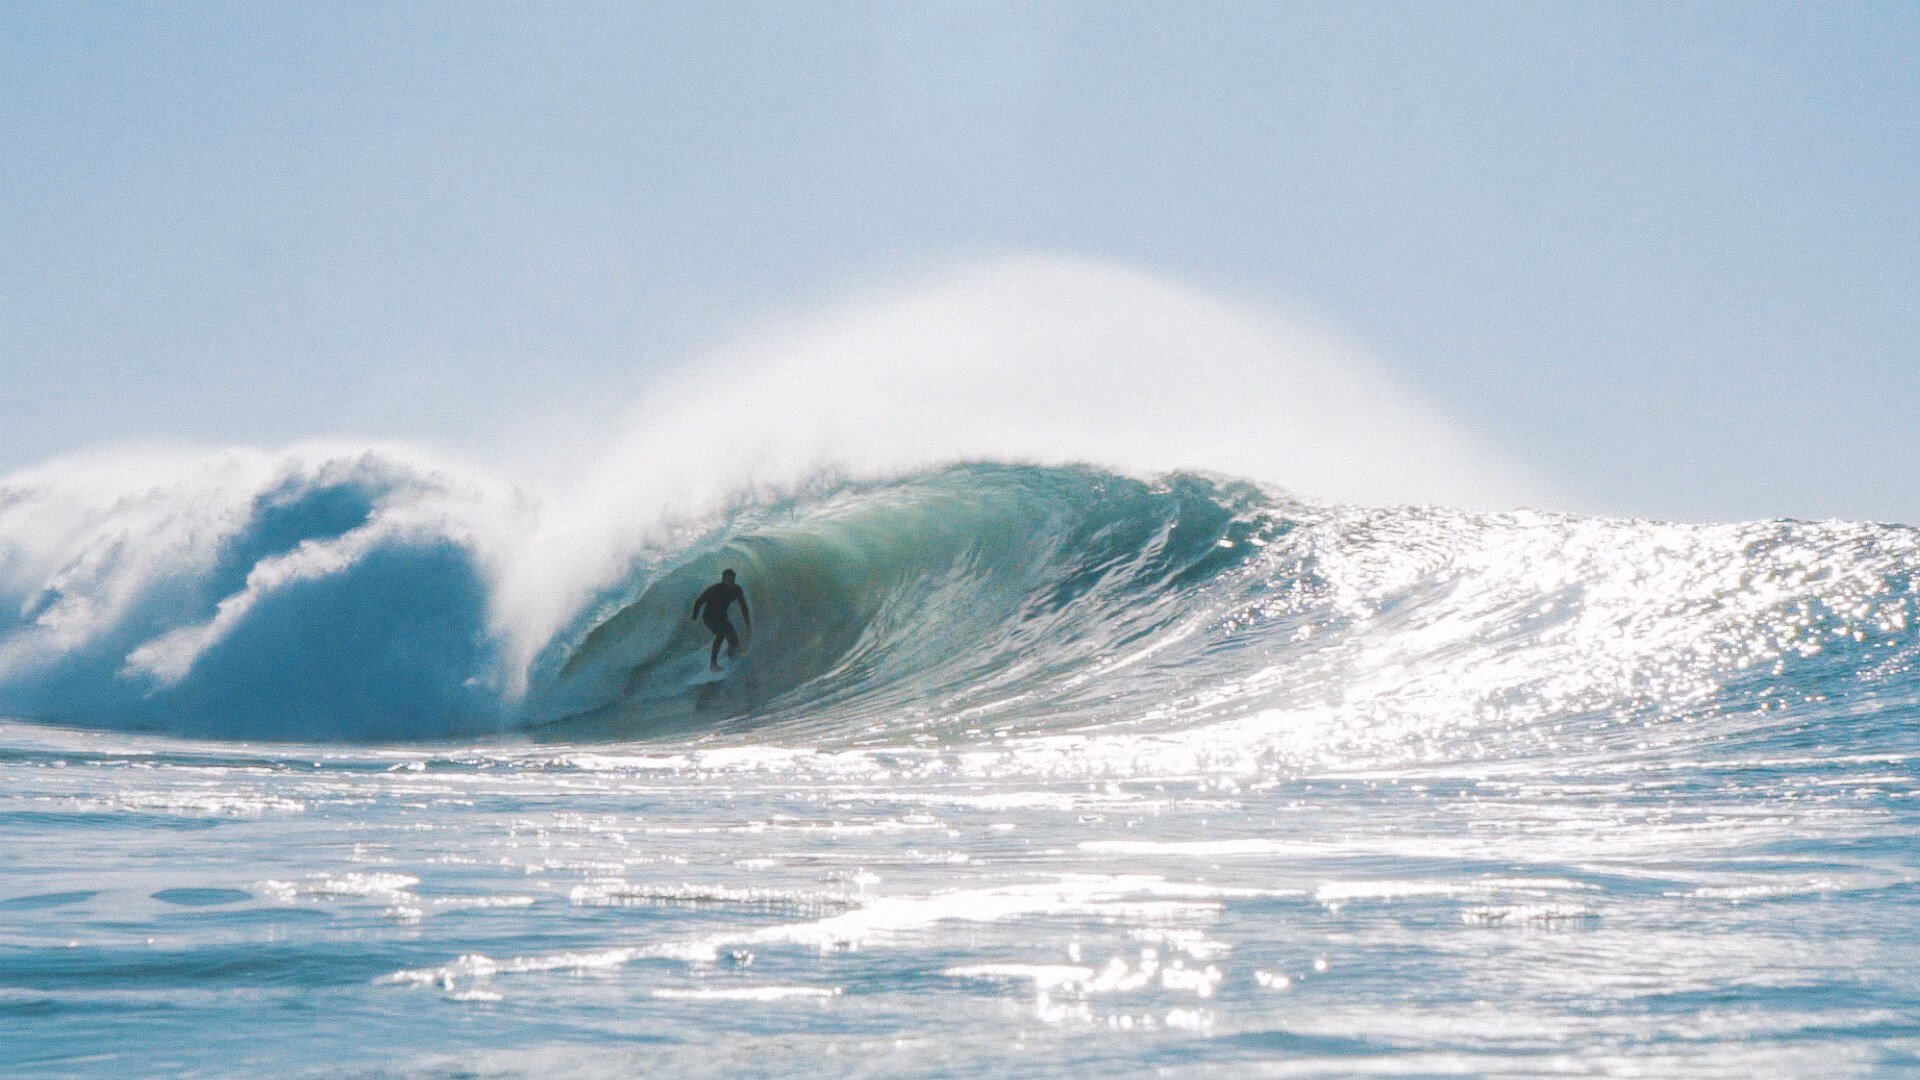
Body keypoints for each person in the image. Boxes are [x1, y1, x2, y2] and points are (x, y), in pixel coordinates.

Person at [690, 568, 751, 671]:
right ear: (723, 579)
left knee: (734, 639)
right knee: (721, 634)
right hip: (709, 617)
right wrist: (694, 617)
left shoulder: (737, 590)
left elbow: (743, 606)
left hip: (722, 618)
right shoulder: (715, 589)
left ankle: (730, 656)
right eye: (727, 579)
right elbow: (699, 601)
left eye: (732, 579)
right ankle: (713, 664)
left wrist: (747, 622)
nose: (729, 582)